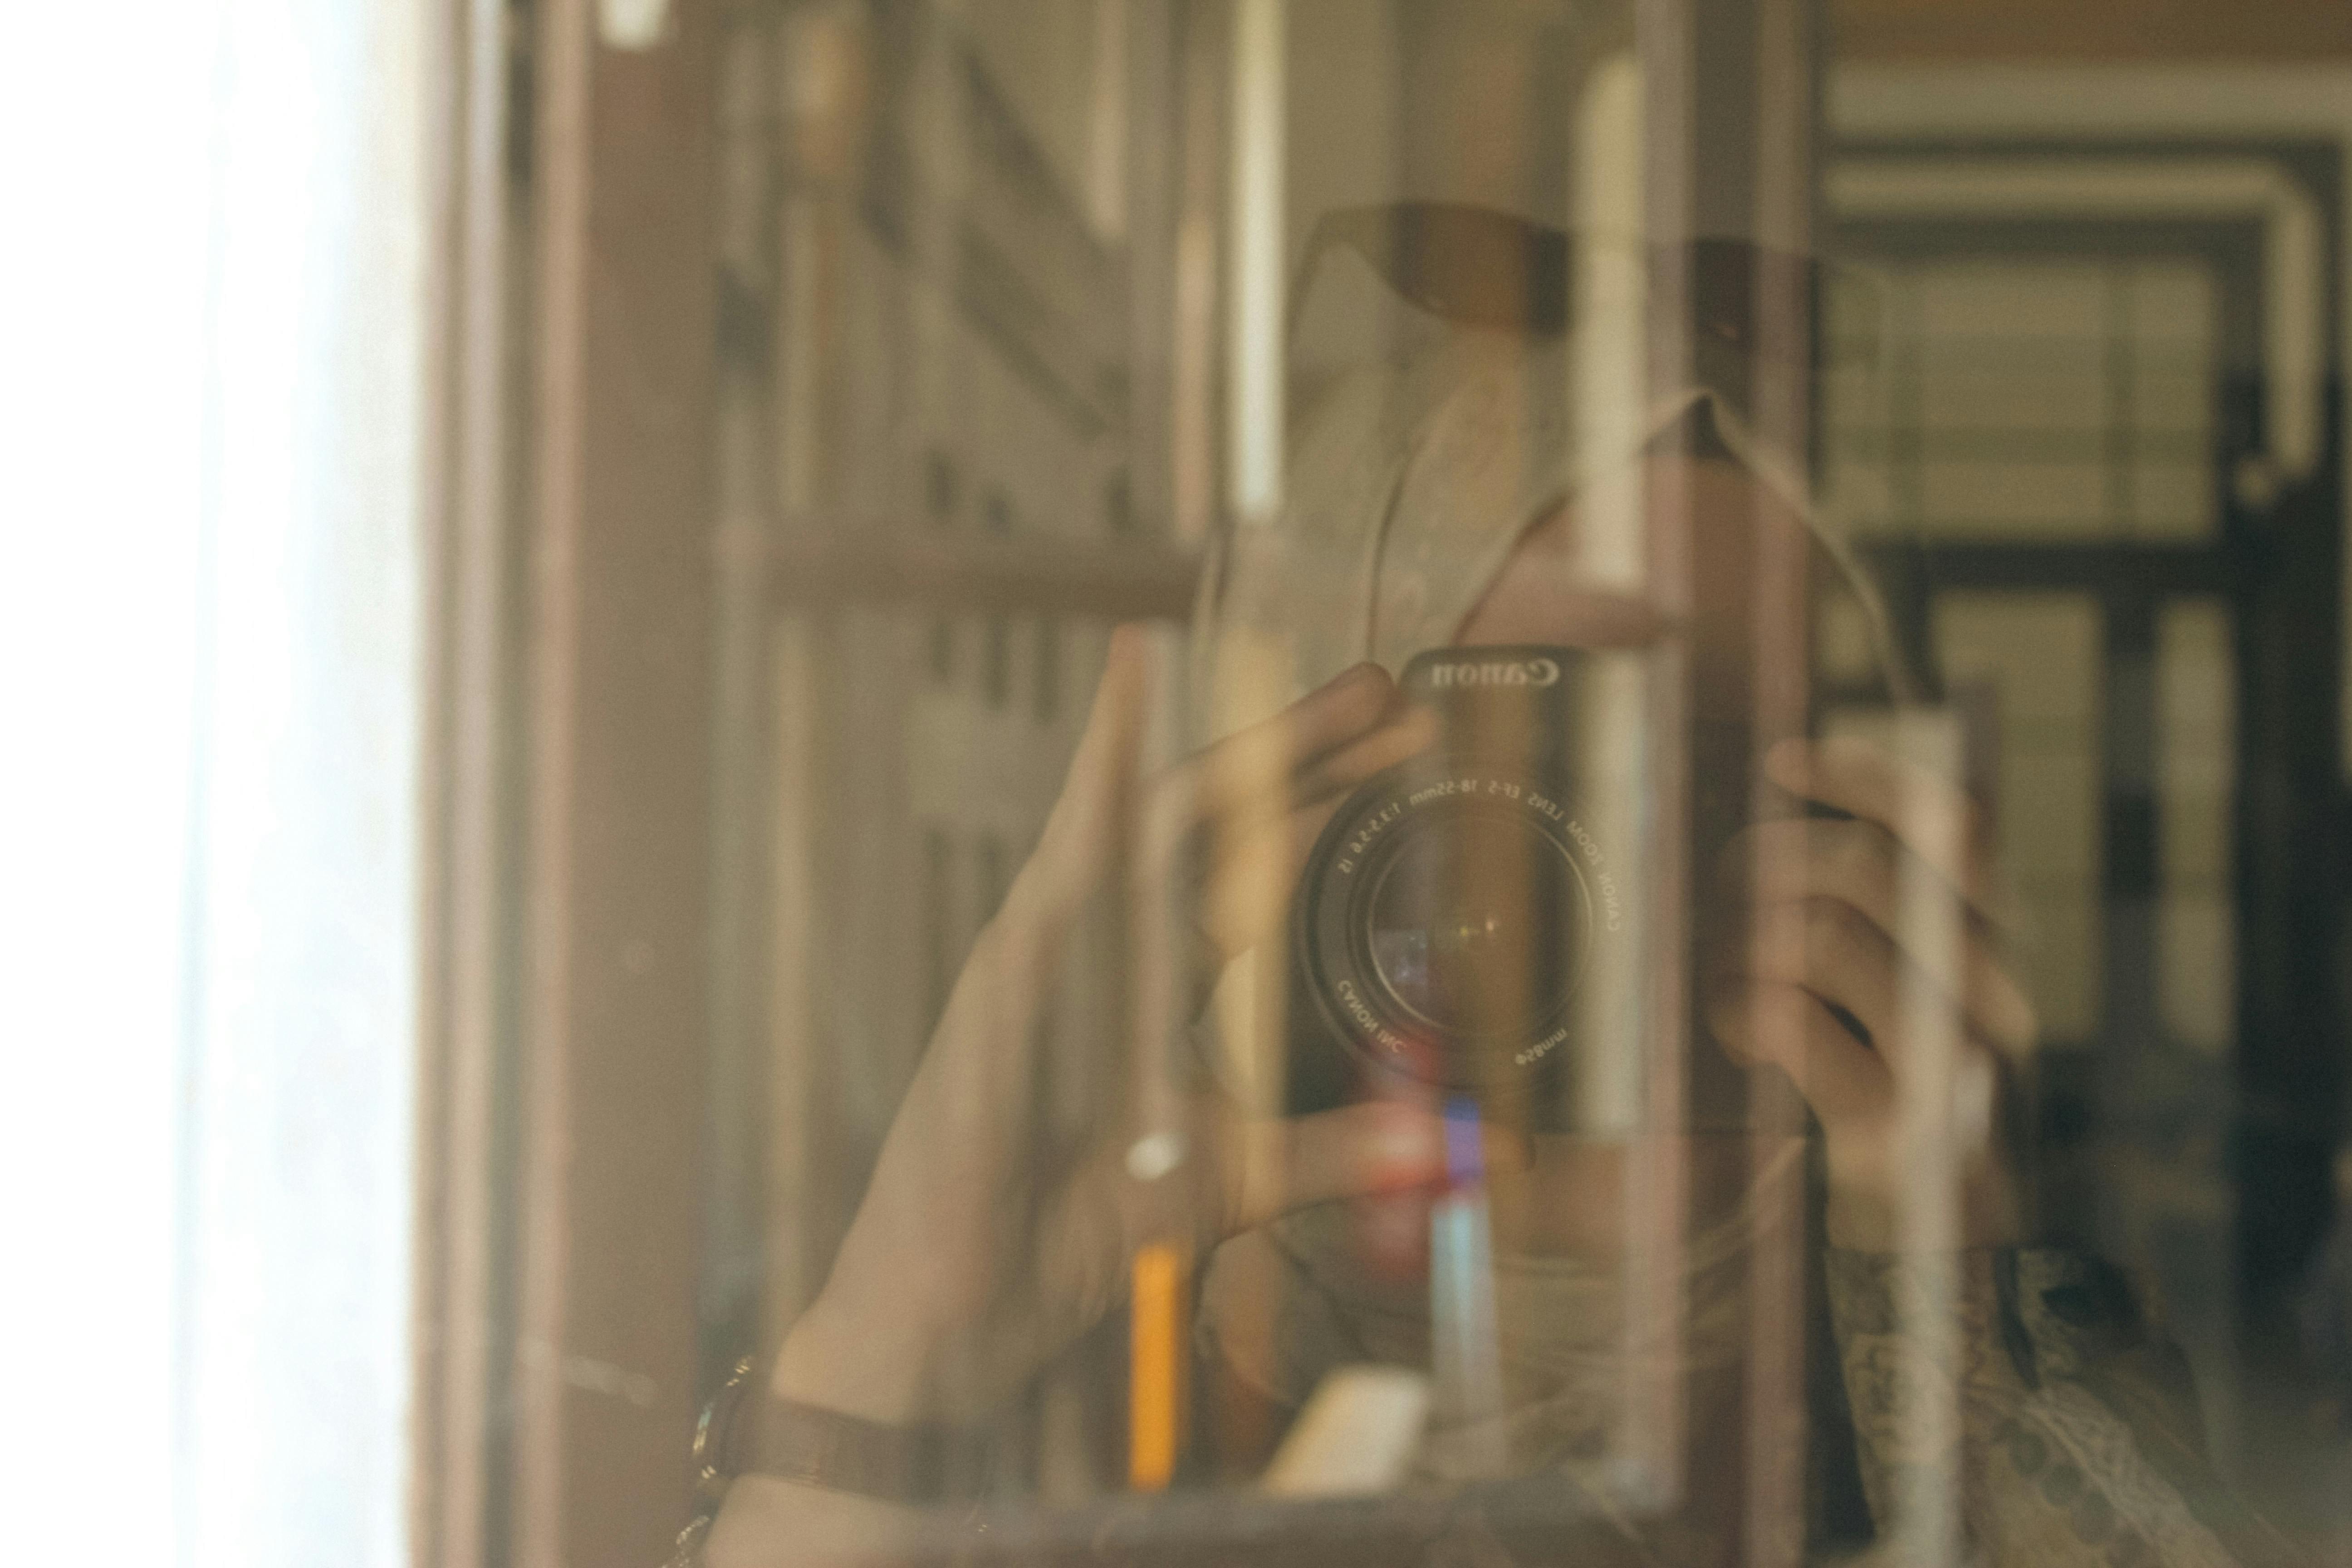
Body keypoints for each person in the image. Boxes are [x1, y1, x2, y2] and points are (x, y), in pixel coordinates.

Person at [696, 209, 2302, 1567]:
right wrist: (882, 1368)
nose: (1606, 881)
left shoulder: (1947, 1402)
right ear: (1299, 779)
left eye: (1716, 761)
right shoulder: (1064, 1421)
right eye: (1521, 749)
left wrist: (1967, 1346)